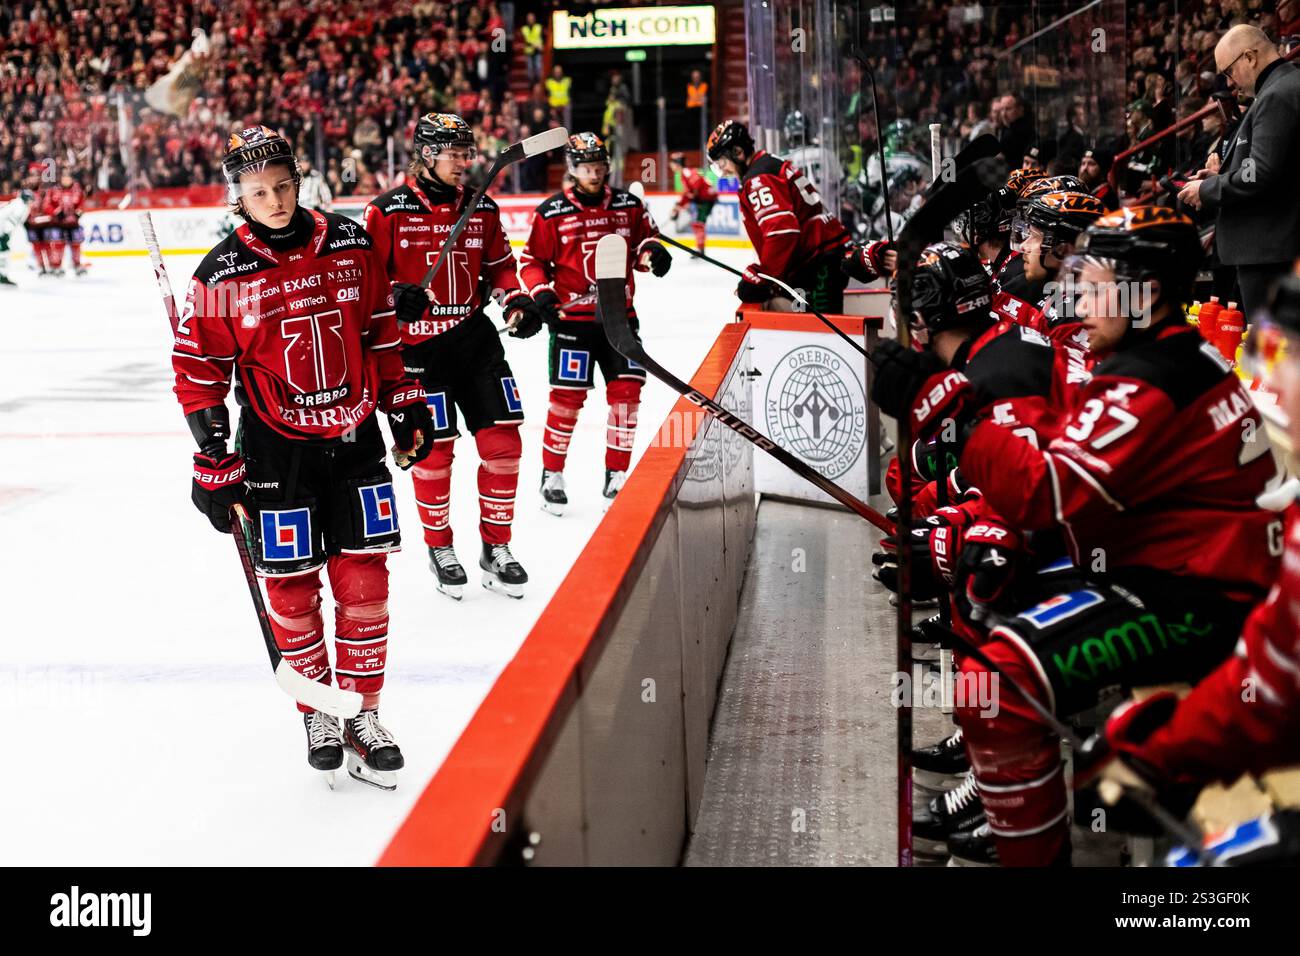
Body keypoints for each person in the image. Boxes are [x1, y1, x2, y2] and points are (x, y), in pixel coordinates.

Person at [874, 207, 1281, 865]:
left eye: (1093, 288)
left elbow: (1046, 495)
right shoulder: (1166, 356)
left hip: (1197, 605)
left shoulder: (1152, 378)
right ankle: (1016, 802)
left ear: (1144, 293)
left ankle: (1027, 839)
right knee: (990, 582)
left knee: (998, 684)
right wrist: (971, 513)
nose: (1078, 304)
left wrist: (948, 408)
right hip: (1187, 577)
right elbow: (1068, 477)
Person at [172, 126, 432, 788]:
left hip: (355, 437)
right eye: (259, 191)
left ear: (299, 179)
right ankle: (319, 710)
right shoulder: (219, 274)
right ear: (238, 197)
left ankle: (364, 714)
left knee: (365, 583)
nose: (275, 200)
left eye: (283, 185)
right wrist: (213, 456)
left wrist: (403, 401)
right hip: (274, 448)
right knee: (290, 587)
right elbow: (199, 370)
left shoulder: (349, 243)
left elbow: (380, 329)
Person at [1080, 272, 1300, 808]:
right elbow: (1269, 672)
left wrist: (1161, 753)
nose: (1268, 376)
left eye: (1285, 353)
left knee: (1009, 663)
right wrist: (1162, 751)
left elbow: (1046, 497)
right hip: (1216, 622)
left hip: (1205, 611)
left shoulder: (1167, 375)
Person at [363, 113, 546, 601]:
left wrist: (517, 301)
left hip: (474, 337)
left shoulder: (482, 207)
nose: (464, 161)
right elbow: (366, 282)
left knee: (504, 446)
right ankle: (440, 547)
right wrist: (395, 295)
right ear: (426, 154)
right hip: (417, 350)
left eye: (468, 153)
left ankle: (496, 547)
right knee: (435, 452)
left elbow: (501, 268)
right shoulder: (386, 211)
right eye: (454, 153)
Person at [519, 133, 670, 514]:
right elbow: (531, 261)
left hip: (620, 319)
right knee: (567, 400)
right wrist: (542, 293)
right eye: (586, 167)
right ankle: (552, 474)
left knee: (627, 396)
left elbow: (644, 245)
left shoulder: (628, 205)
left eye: (599, 165)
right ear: (573, 168)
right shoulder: (551, 212)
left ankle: (616, 474)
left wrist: (653, 255)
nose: (594, 173)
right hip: (573, 322)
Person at [1179, 24, 1300, 319]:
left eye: (1229, 72)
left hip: (1270, 251)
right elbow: (1272, 166)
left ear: (1250, 57)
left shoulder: (1277, 94)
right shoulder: (1281, 88)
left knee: (1275, 344)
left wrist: (1207, 190)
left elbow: (1260, 171)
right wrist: (1221, 178)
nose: (1230, 83)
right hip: (1272, 247)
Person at [706, 119, 853, 313]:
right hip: (818, 257)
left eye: (722, 162)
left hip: (819, 261)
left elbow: (782, 232)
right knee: (816, 325)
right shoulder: (767, 164)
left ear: (738, 152)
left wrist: (766, 276)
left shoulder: (759, 178)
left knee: (824, 328)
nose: (723, 171)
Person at [667, 151, 717, 254]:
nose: (671, 166)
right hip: (705, 199)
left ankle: (700, 249)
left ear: (677, 164)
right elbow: (688, 194)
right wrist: (679, 206)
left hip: (706, 199)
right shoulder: (684, 174)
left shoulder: (686, 172)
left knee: (698, 223)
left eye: (672, 164)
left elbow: (694, 187)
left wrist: (681, 205)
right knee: (697, 223)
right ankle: (700, 248)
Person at [44, 169, 87, 277]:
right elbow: (47, 204)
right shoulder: (53, 190)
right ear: (61, 178)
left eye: (68, 177)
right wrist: (56, 212)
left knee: (76, 244)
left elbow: (82, 203)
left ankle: (77, 264)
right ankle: (57, 266)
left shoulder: (77, 189)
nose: (66, 180)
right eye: (64, 177)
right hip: (58, 223)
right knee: (58, 245)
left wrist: (78, 212)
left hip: (73, 223)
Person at [0, 189, 32, 287]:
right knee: (4, 252)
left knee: (4, 252)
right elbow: (9, 219)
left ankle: (2, 275)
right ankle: (2, 276)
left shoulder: (21, 205)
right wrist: (4, 233)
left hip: (5, 231)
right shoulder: (18, 204)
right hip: (3, 231)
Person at [1077, 147, 1118, 211]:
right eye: (1083, 163)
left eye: (1091, 164)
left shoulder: (1107, 197)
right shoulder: (1083, 191)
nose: (1085, 168)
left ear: (1102, 169)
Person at [520, 12, 543, 85]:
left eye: (532, 18)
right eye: (529, 18)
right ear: (527, 19)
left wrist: (540, 46)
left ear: (534, 19)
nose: (531, 20)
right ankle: (531, 83)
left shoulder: (538, 27)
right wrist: (535, 44)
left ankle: (538, 82)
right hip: (529, 51)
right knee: (530, 68)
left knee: (538, 67)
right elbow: (527, 40)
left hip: (538, 50)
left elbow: (540, 37)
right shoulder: (524, 28)